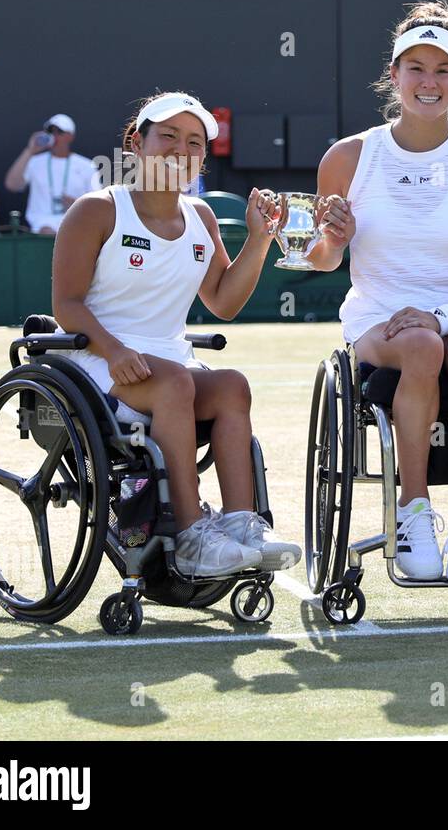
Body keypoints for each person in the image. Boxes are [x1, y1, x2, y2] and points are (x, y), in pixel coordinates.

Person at [306, 0, 448, 583]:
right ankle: (414, 512)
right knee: (422, 351)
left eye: (442, 70)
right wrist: (334, 238)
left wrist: (440, 316)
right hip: (378, 319)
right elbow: (323, 260)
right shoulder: (348, 157)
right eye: (416, 68)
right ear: (394, 74)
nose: (429, 82)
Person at [52, 91, 300, 577]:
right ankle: (190, 534)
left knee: (232, 386)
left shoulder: (202, 217)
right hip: (98, 363)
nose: (180, 150)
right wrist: (114, 348)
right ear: (135, 143)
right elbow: (67, 306)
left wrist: (259, 238)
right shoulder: (96, 210)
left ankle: (240, 527)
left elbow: (224, 302)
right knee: (175, 383)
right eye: (167, 136)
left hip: (171, 369)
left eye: (194, 142)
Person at [4, 115, 102, 236]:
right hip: (42, 225)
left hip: (75, 222)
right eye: (51, 132)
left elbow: (99, 203)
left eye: (59, 132)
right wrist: (29, 150)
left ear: (70, 136)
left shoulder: (87, 165)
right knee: (48, 231)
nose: (54, 136)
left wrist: (77, 204)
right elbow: (12, 185)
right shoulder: (34, 161)